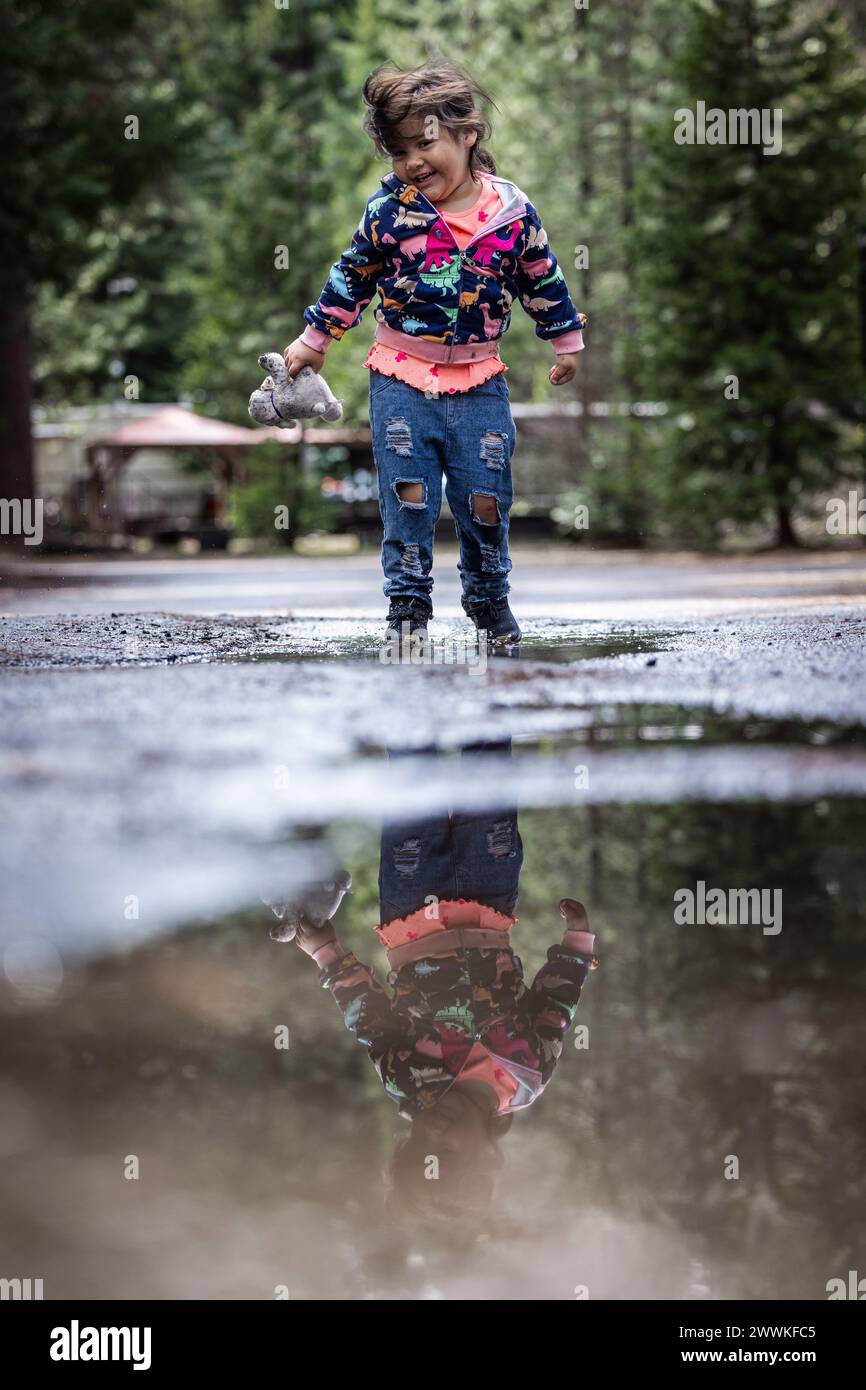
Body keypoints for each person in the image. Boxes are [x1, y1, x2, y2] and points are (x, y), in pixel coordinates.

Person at [282, 60, 587, 650]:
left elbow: (540, 277)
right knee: (409, 496)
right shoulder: (390, 212)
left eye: (425, 144)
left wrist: (564, 339)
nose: (413, 163)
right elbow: (352, 276)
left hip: (480, 381)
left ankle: (488, 598)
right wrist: (313, 340)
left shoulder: (512, 213)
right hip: (400, 379)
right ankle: (408, 607)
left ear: (467, 133)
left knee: (485, 499)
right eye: (400, 153)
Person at [279, 743, 598, 1228]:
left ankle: (411, 696)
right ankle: (491, 678)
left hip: (410, 907)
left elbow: (368, 1018)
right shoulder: (527, 1075)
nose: (433, 1134)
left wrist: (327, 953)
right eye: (445, 1151)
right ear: (489, 1156)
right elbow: (556, 1003)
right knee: (489, 784)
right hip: (489, 899)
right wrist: (577, 944)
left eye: (420, 1146)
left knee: (412, 788)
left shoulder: (407, 1084)